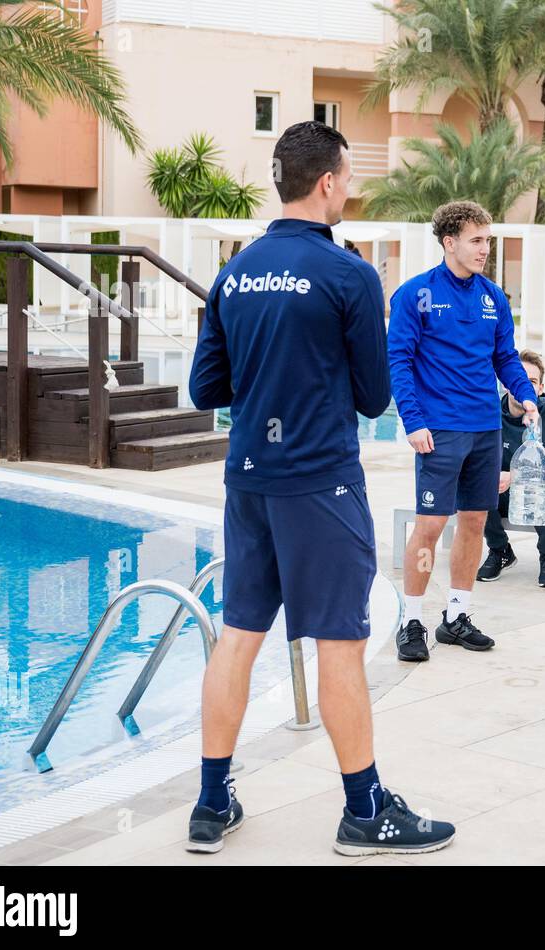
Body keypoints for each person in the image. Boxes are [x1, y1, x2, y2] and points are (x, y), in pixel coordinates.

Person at [187, 121, 453, 855]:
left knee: (238, 634)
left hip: (249, 481)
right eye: (349, 179)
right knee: (339, 643)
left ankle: (210, 806)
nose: (351, 191)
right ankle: (365, 812)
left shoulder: (235, 273)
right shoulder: (349, 274)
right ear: (329, 181)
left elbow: (206, 385)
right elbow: (373, 396)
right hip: (320, 483)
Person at [387, 200, 538, 662]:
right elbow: (399, 362)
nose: (485, 249)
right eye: (476, 240)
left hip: (483, 428)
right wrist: (413, 422)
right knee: (430, 525)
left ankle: (456, 616)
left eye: (488, 240)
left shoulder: (494, 296)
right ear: (449, 241)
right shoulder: (414, 295)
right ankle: (411, 620)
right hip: (440, 430)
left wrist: (522, 392)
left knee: (474, 522)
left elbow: (505, 357)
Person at [476, 349, 545, 588]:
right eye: (519, 379)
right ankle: (500, 550)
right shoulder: (489, 413)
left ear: (540, 388)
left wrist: (514, 476)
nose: (524, 386)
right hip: (505, 494)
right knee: (474, 486)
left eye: (531, 381)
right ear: (508, 382)